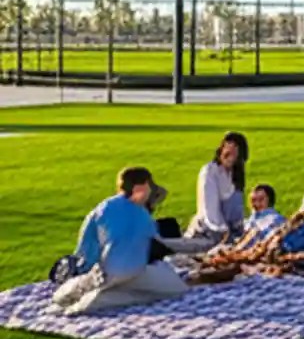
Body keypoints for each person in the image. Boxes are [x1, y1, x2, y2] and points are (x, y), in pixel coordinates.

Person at [51, 168, 188, 315]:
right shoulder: (141, 216)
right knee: (174, 288)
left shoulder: (102, 209)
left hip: (103, 270)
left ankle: (73, 294)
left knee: (105, 279)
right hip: (132, 271)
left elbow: (87, 250)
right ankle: (96, 299)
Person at [184, 132, 249, 247]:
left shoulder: (236, 176)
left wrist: (241, 230)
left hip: (229, 234)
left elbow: (237, 210)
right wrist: (225, 234)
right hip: (207, 233)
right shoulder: (209, 171)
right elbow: (210, 210)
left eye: (235, 149)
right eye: (227, 148)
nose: (229, 154)